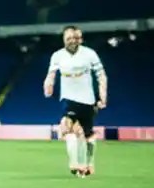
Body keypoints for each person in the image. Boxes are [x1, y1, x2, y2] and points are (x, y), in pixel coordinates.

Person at [43, 25, 107, 177]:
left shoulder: (89, 54)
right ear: (64, 40)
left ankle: (89, 163)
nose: (71, 41)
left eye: (74, 38)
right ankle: (74, 163)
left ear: (79, 39)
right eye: (68, 38)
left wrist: (103, 95)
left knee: (87, 134)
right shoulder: (57, 56)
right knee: (67, 126)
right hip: (68, 98)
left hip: (87, 98)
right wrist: (48, 85)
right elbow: (51, 74)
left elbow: (101, 75)